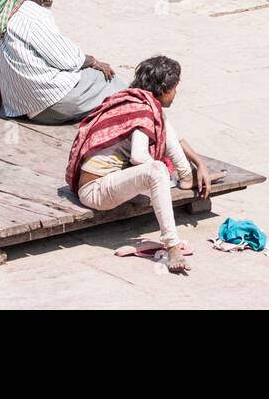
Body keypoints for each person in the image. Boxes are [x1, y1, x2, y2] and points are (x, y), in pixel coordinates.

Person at [66, 56, 213, 275]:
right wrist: (161, 175)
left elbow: (174, 136)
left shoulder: (139, 103)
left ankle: (186, 177)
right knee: (156, 170)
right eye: (174, 88)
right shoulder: (144, 111)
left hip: (106, 183)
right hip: (96, 191)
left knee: (161, 143)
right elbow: (138, 156)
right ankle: (172, 246)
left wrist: (198, 164)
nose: (176, 93)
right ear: (164, 89)